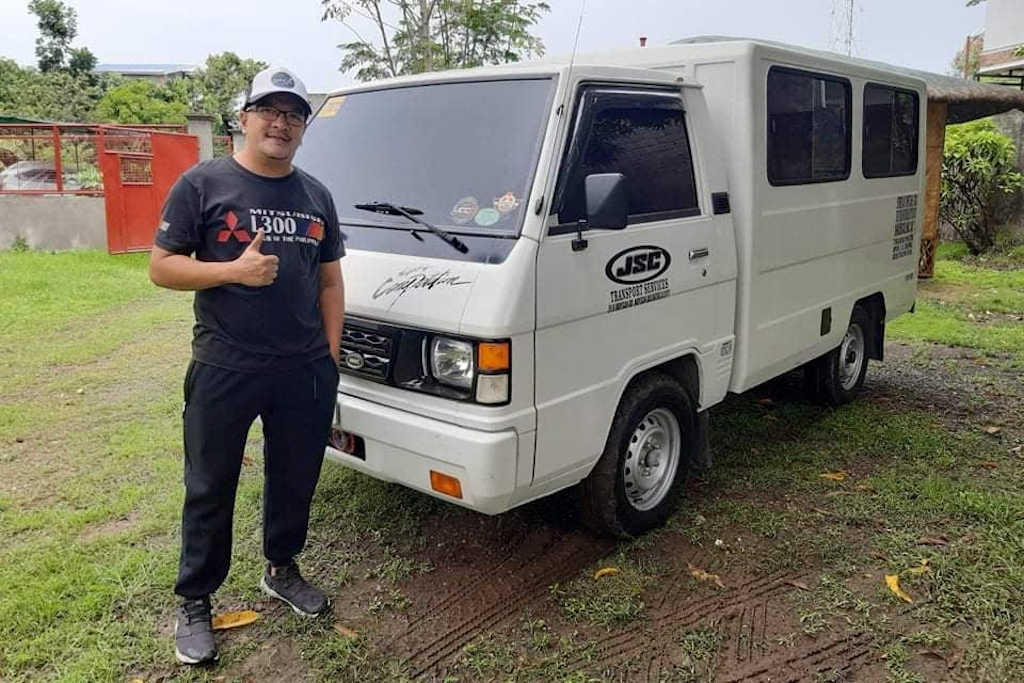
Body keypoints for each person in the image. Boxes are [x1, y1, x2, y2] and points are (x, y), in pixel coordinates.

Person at [149, 66, 344, 665]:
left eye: (293, 115)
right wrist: (233, 271)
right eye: (269, 111)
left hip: (303, 369)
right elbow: (162, 267)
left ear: (303, 128)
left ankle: (282, 568)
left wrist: (329, 358)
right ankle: (195, 600)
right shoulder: (203, 183)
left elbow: (330, 281)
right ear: (244, 119)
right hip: (225, 366)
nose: (280, 124)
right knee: (210, 485)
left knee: (295, 476)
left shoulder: (316, 195)